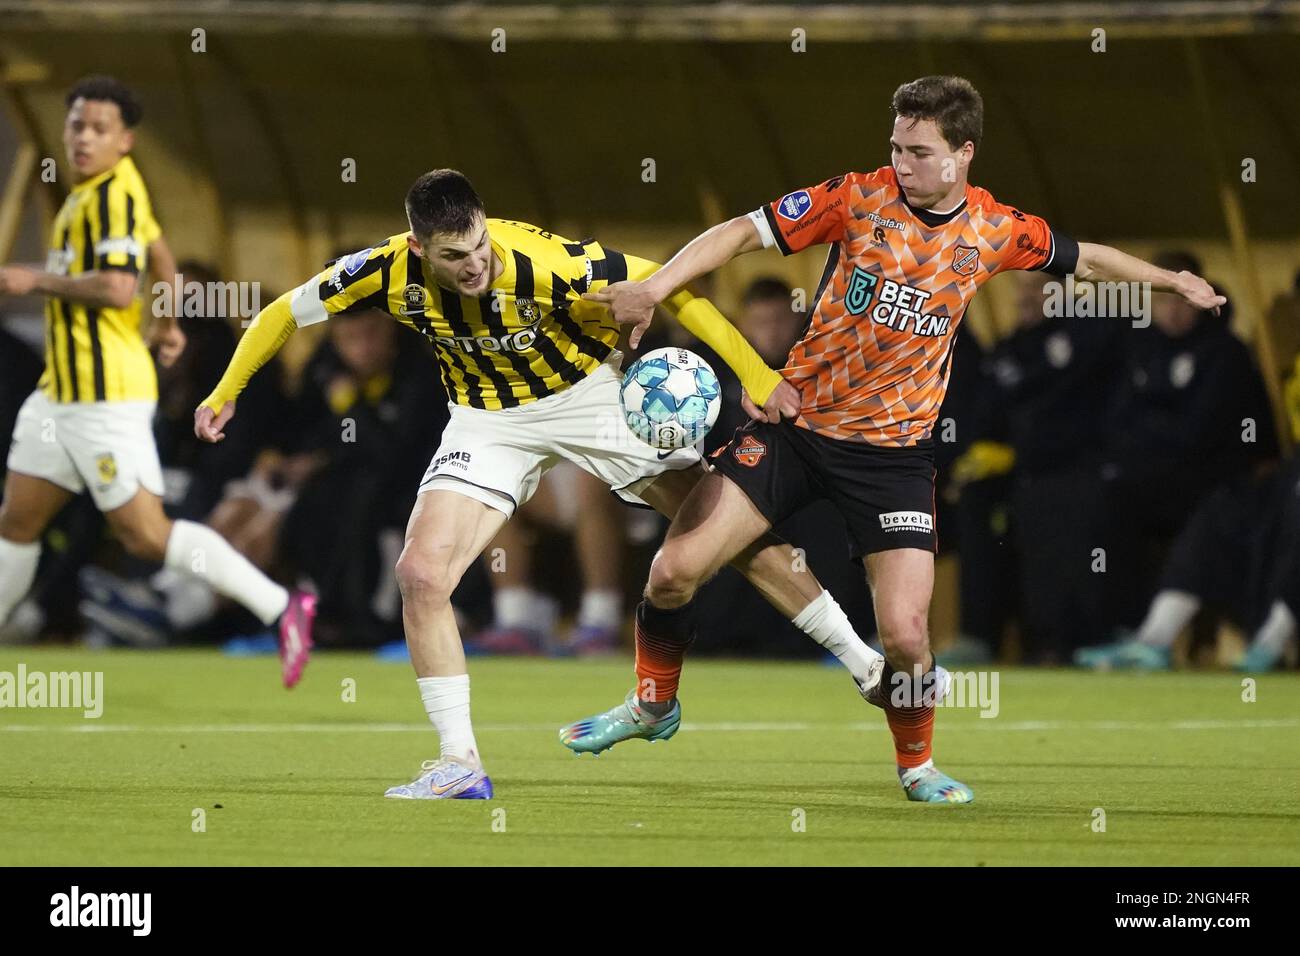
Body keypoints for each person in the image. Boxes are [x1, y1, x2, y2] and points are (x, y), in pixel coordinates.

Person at [561, 75, 1225, 804]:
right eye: (895, 147)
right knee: (671, 571)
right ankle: (654, 706)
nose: (901, 164)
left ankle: (917, 765)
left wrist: (1171, 282)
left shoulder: (994, 230)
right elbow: (737, 233)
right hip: (797, 428)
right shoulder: (856, 197)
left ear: (963, 154)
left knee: (906, 637)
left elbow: (1085, 259)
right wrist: (655, 290)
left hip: (894, 459)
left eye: (918, 151)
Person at [195, 169, 892, 800]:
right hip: (486, 422)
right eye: (452, 258)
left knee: (728, 534)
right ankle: (459, 762)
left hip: (592, 398)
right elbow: (282, 311)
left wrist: (757, 375)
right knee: (420, 573)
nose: (472, 266)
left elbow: (669, 284)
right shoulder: (381, 271)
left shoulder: (545, 260)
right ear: (417, 248)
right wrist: (227, 391)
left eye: (476, 248)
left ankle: (867, 667)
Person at [0, 75, 316, 686]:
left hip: (104, 398)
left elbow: (119, 285)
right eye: (75, 125)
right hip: (56, 395)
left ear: (126, 139)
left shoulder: (113, 195)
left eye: (98, 128)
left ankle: (282, 608)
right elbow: (160, 253)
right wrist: (167, 320)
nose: (83, 137)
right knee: (18, 522)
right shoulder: (91, 194)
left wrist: (33, 280)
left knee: (146, 536)